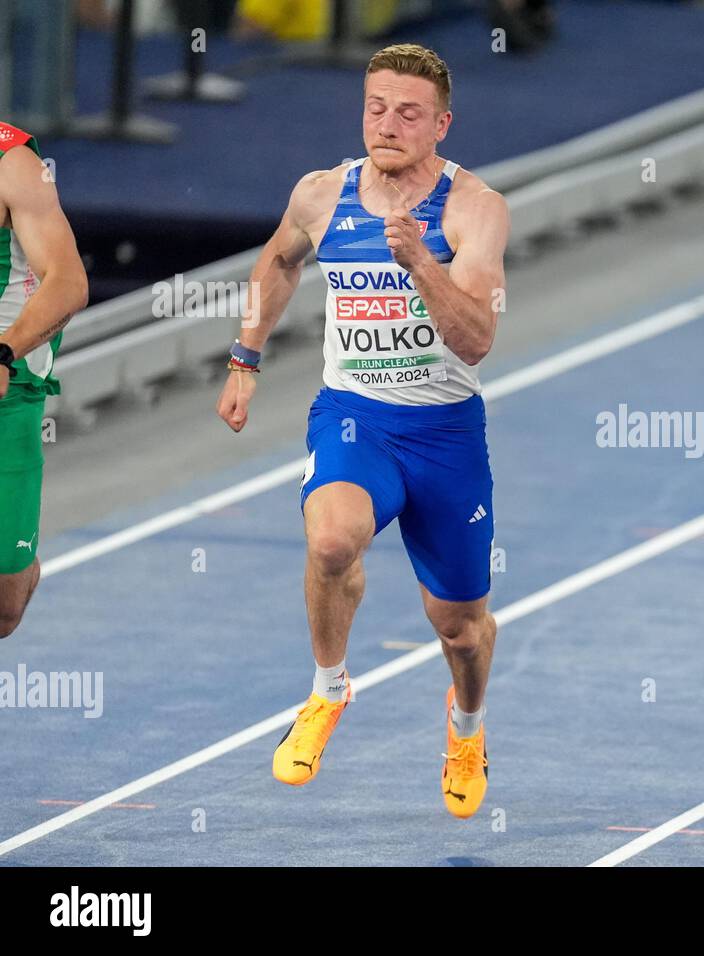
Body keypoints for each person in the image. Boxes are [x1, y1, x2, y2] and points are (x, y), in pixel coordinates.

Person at [215, 44, 509, 820]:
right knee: (331, 542)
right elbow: (277, 262)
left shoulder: (473, 207)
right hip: (357, 416)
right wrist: (246, 355)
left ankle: (467, 726)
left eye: (409, 112)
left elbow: (476, 338)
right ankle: (327, 689)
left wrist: (421, 262)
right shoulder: (321, 193)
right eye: (376, 106)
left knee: (461, 630)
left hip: (446, 435)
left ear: (441, 124)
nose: (388, 123)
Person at [0, 121, 89, 639]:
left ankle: (19, 561)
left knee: (5, 609)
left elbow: (70, 283)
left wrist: (5, 352)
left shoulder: (15, 164)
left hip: (11, 388)